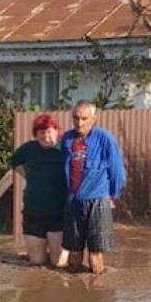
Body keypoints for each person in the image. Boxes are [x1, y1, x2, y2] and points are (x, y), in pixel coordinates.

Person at [60, 101, 125, 275]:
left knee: (95, 256)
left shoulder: (105, 139)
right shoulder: (66, 139)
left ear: (93, 119)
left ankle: (97, 295)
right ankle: (73, 294)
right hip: (73, 201)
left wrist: (113, 195)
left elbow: (117, 171)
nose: (79, 123)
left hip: (97, 201)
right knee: (73, 254)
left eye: (84, 118)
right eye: (76, 118)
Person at [9, 114, 68, 267]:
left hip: (60, 213)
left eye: (49, 131)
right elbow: (14, 161)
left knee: (59, 263)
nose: (45, 136)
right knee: (37, 262)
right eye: (41, 132)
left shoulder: (65, 149)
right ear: (36, 134)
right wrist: (29, 176)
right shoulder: (28, 149)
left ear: (56, 131)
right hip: (34, 212)